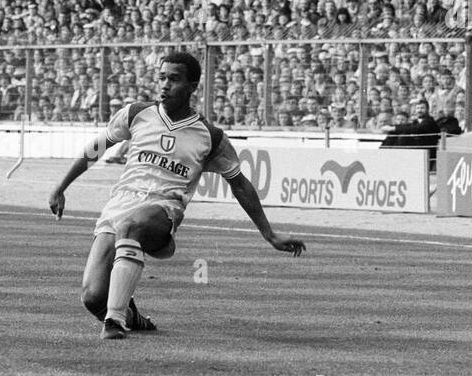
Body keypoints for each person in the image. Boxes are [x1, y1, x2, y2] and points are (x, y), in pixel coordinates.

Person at [48, 53, 305, 341]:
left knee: (132, 225)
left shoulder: (210, 136)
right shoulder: (136, 113)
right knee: (92, 297)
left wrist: (269, 235)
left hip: (162, 210)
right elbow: (98, 147)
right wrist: (61, 186)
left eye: (174, 79)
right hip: (118, 205)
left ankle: (114, 321)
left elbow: (239, 183)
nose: (165, 85)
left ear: (192, 86)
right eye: (161, 78)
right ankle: (134, 317)